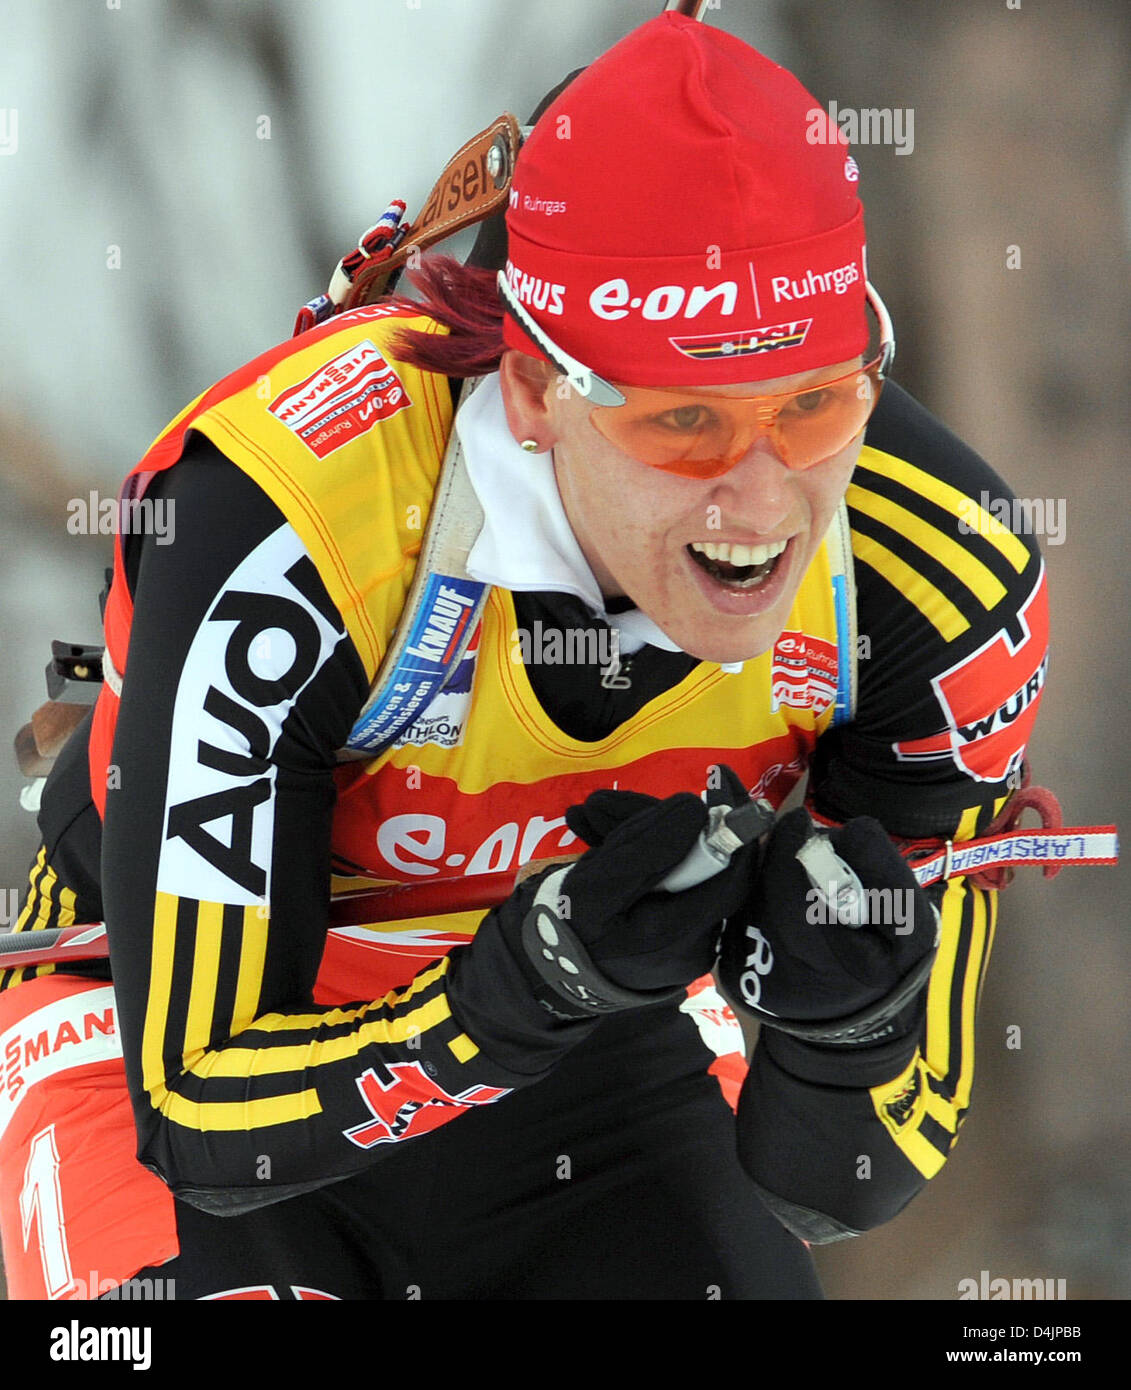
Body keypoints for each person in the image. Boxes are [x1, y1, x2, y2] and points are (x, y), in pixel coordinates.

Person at [0, 12, 1048, 1300]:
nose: (767, 504)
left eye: (814, 405)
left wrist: (847, 1027)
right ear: (540, 395)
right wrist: (516, 992)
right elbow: (203, 1119)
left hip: (596, 1058)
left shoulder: (935, 569)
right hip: (166, 1034)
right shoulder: (293, 522)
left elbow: (840, 1183)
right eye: (686, 423)